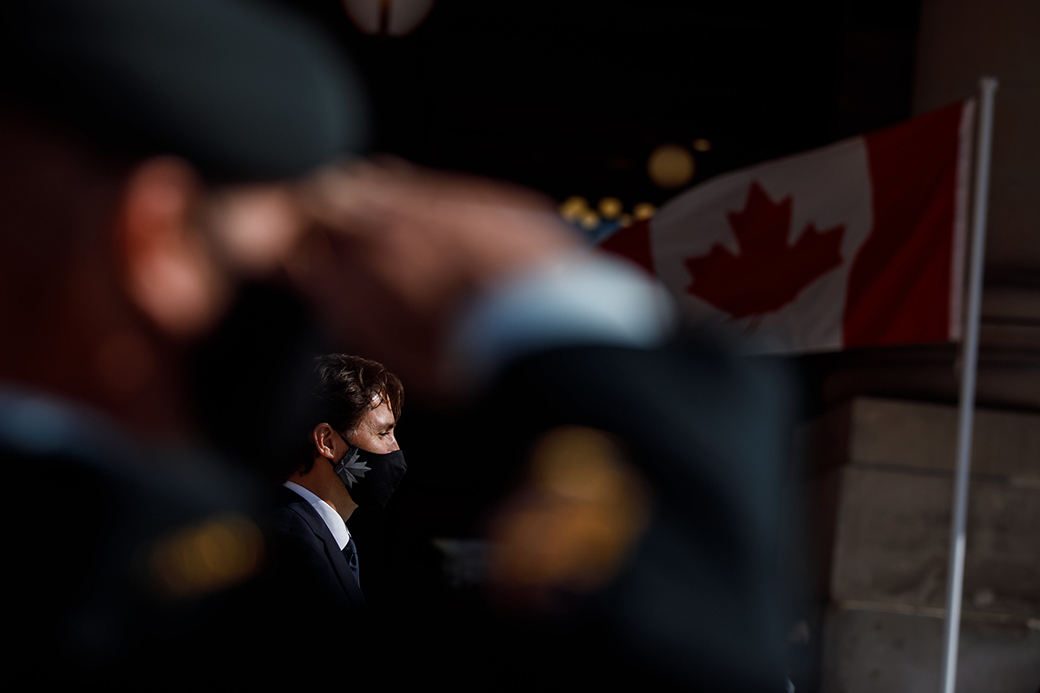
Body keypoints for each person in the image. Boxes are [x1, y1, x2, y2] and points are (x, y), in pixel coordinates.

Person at [2, 0, 797, 689]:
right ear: (158, 244)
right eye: (298, 252)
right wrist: (554, 302)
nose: (392, 449)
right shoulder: (146, 606)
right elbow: (672, 663)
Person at [265, 353, 405, 615]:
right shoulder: (289, 544)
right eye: (383, 433)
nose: (395, 448)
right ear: (327, 442)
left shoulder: (313, 536)